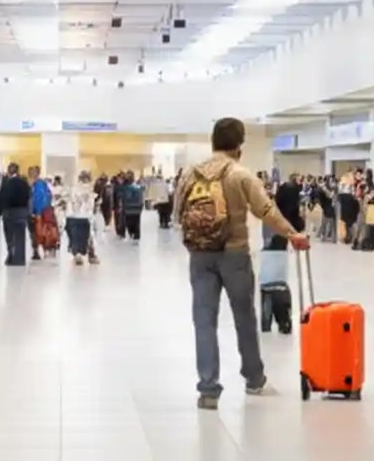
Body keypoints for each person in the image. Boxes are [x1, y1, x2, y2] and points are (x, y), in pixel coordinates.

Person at [173, 118, 310, 410]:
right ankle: (254, 379)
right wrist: (292, 234)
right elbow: (266, 210)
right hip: (234, 254)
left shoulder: (189, 175)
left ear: (213, 142)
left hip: (200, 255)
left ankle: (208, 390)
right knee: (244, 317)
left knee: (204, 321)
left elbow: (177, 213)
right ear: (239, 146)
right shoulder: (239, 175)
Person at [0, 163, 32, 266]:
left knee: (9, 235)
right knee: (20, 235)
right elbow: (29, 196)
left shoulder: (5, 182)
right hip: (21, 211)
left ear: (8, 171)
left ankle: (11, 254)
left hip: (8, 212)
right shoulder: (24, 182)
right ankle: (20, 259)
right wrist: (29, 212)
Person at [65, 170, 99, 265]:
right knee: (89, 237)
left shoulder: (74, 188)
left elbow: (71, 202)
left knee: (75, 238)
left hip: (73, 216)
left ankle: (77, 255)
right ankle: (91, 255)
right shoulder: (89, 189)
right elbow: (90, 205)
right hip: (85, 217)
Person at [30, 166, 54, 260]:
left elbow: (40, 199)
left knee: (38, 231)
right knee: (36, 231)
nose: (31, 174)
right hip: (40, 211)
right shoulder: (40, 184)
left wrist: (38, 212)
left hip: (38, 212)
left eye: (33, 172)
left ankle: (40, 249)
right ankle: (38, 250)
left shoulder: (38, 184)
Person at [120, 170, 144, 241]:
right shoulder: (137, 187)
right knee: (135, 223)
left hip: (129, 209)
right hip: (135, 209)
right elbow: (140, 198)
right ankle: (135, 235)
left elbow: (123, 198)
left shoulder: (125, 187)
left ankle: (133, 234)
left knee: (130, 223)